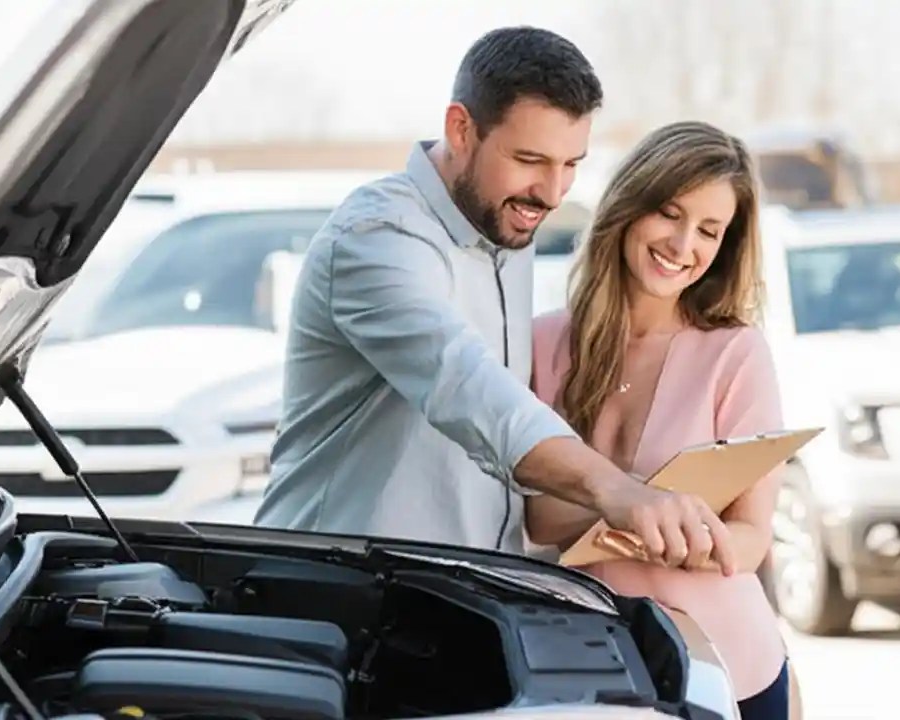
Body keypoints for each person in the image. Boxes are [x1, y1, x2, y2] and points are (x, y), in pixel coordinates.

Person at [254, 27, 737, 575]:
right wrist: (619, 492)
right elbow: (468, 388)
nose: (553, 193)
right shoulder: (377, 238)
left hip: (459, 595)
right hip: (335, 594)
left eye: (571, 164)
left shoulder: (504, 223)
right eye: (530, 159)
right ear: (461, 128)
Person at [528, 121, 790, 719]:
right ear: (630, 205)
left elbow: (750, 539)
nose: (682, 244)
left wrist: (672, 536)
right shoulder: (543, 342)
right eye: (670, 213)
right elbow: (537, 518)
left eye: (709, 230)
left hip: (726, 668)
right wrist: (652, 512)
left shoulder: (737, 353)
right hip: (589, 665)